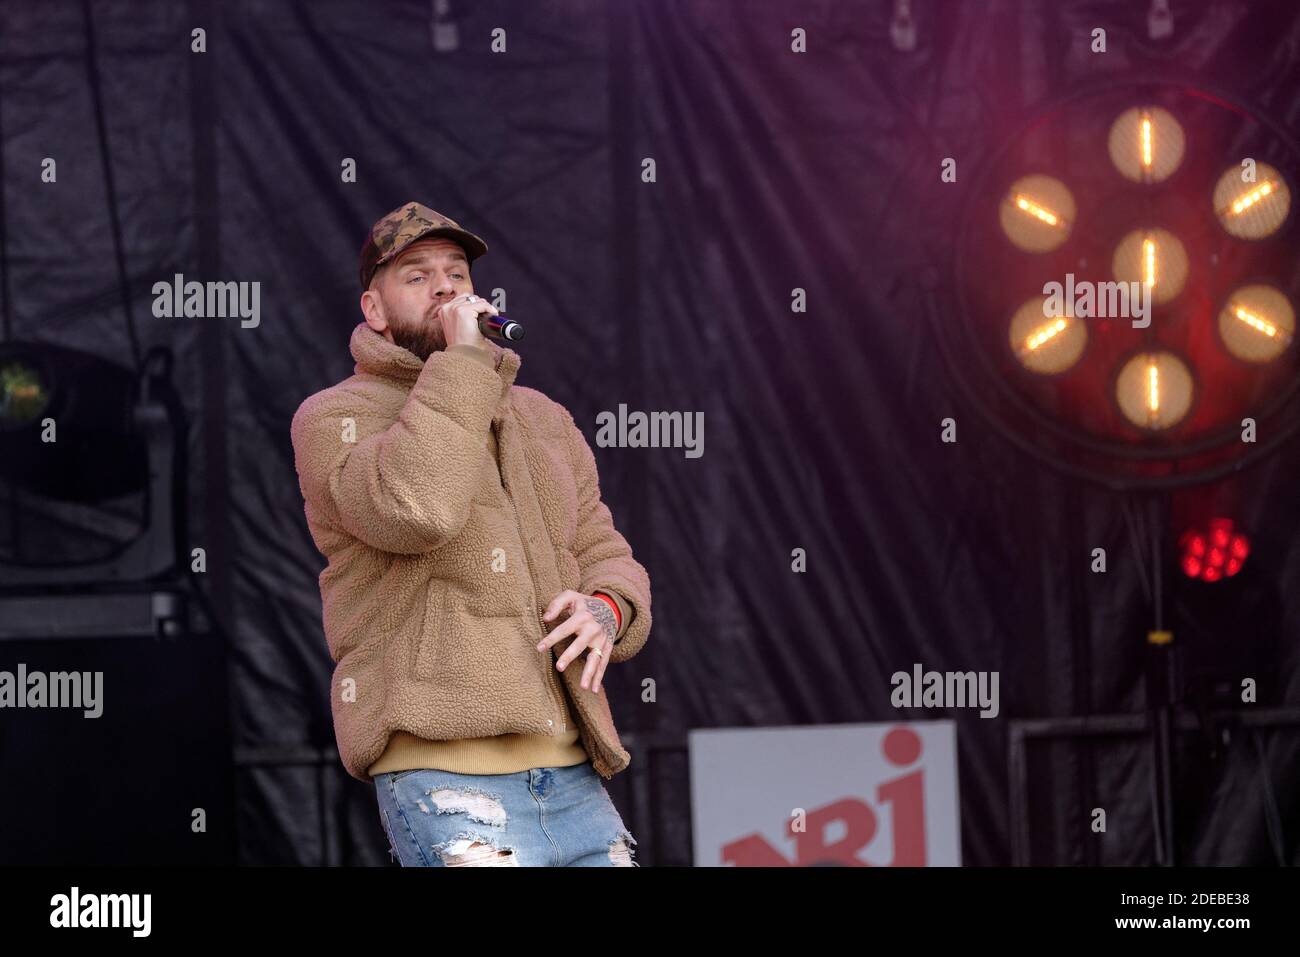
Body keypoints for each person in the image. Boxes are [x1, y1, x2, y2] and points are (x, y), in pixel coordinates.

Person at [290, 201, 652, 866]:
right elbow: (417, 507)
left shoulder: (543, 419)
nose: (446, 288)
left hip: (572, 776)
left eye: (456, 273)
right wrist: (461, 359)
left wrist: (608, 608)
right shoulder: (333, 419)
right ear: (373, 309)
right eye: (419, 276)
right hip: (444, 778)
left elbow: (607, 551)